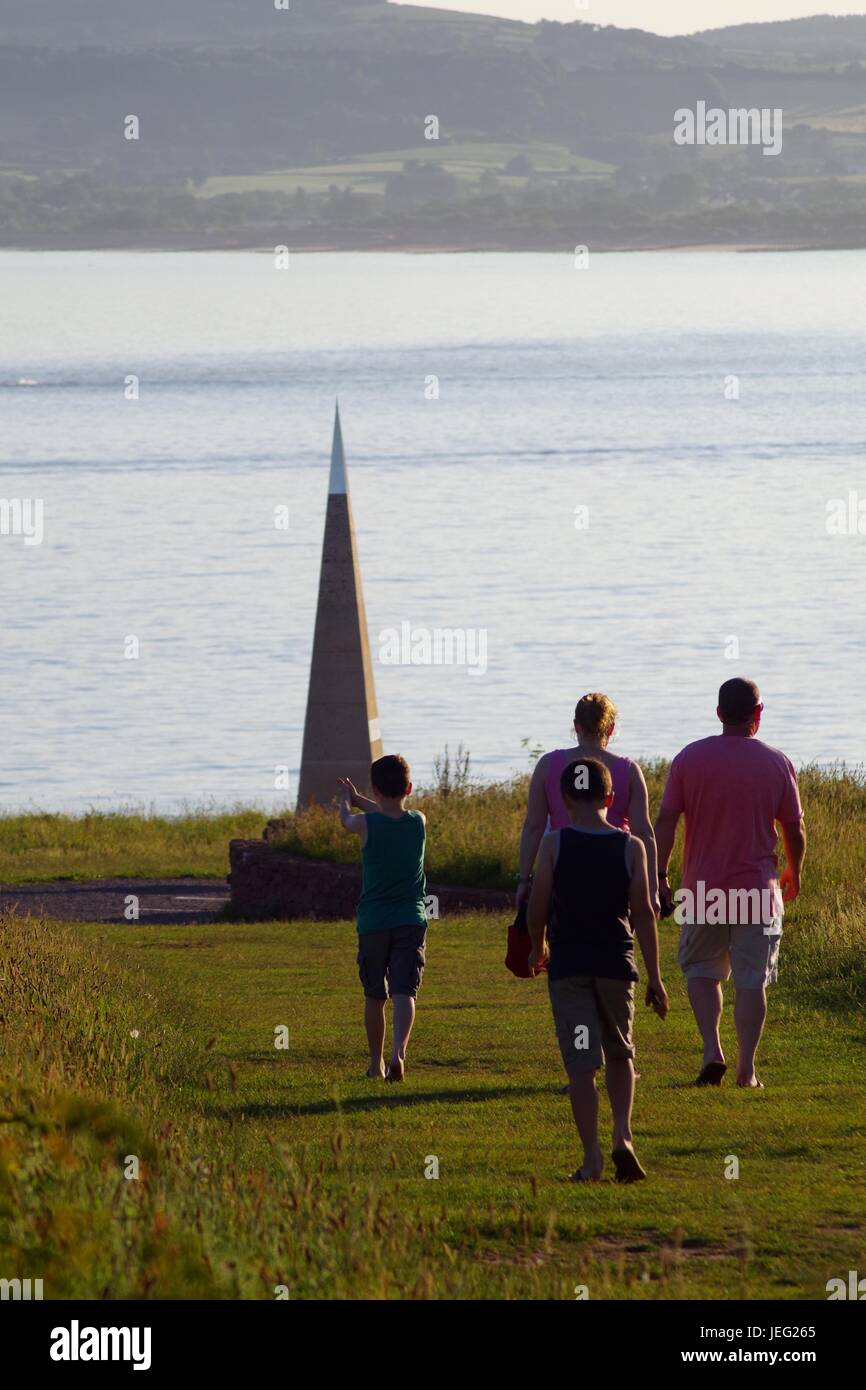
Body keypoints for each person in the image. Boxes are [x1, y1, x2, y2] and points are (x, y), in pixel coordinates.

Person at [654, 678, 806, 1089]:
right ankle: (747, 1069)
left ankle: (711, 1050)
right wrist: (794, 868)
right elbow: (794, 828)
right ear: (758, 714)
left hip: (703, 889)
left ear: (719, 713)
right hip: (758, 890)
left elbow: (666, 821)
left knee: (702, 971)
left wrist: (661, 873)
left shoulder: (690, 758)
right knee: (751, 980)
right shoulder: (777, 763)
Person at [527, 757, 668, 1183]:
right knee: (621, 1051)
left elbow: (538, 905)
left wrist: (538, 947)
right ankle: (623, 1135)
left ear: (566, 798)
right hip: (615, 968)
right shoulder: (631, 847)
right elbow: (643, 913)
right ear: (610, 797)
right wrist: (656, 978)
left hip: (570, 970)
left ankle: (591, 1159)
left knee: (583, 1064)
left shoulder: (555, 844)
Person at [517, 693, 659, 913]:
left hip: (563, 865)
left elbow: (534, 826)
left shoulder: (548, 765)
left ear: (576, 726)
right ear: (610, 728)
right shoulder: (628, 771)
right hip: (615, 868)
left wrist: (524, 879)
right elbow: (644, 832)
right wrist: (652, 890)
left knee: (564, 939)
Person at [338, 755, 428, 1083]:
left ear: (375, 789)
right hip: (411, 919)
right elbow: (390, 814)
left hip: (374, 921)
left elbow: (350, 821)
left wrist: (347, 804)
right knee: (405, 990)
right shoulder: (418, 821)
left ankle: (375, 1063)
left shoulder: (365, 824)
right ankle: (398, 1054)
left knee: (375, 995)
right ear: (409, 788)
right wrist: (363, 800)